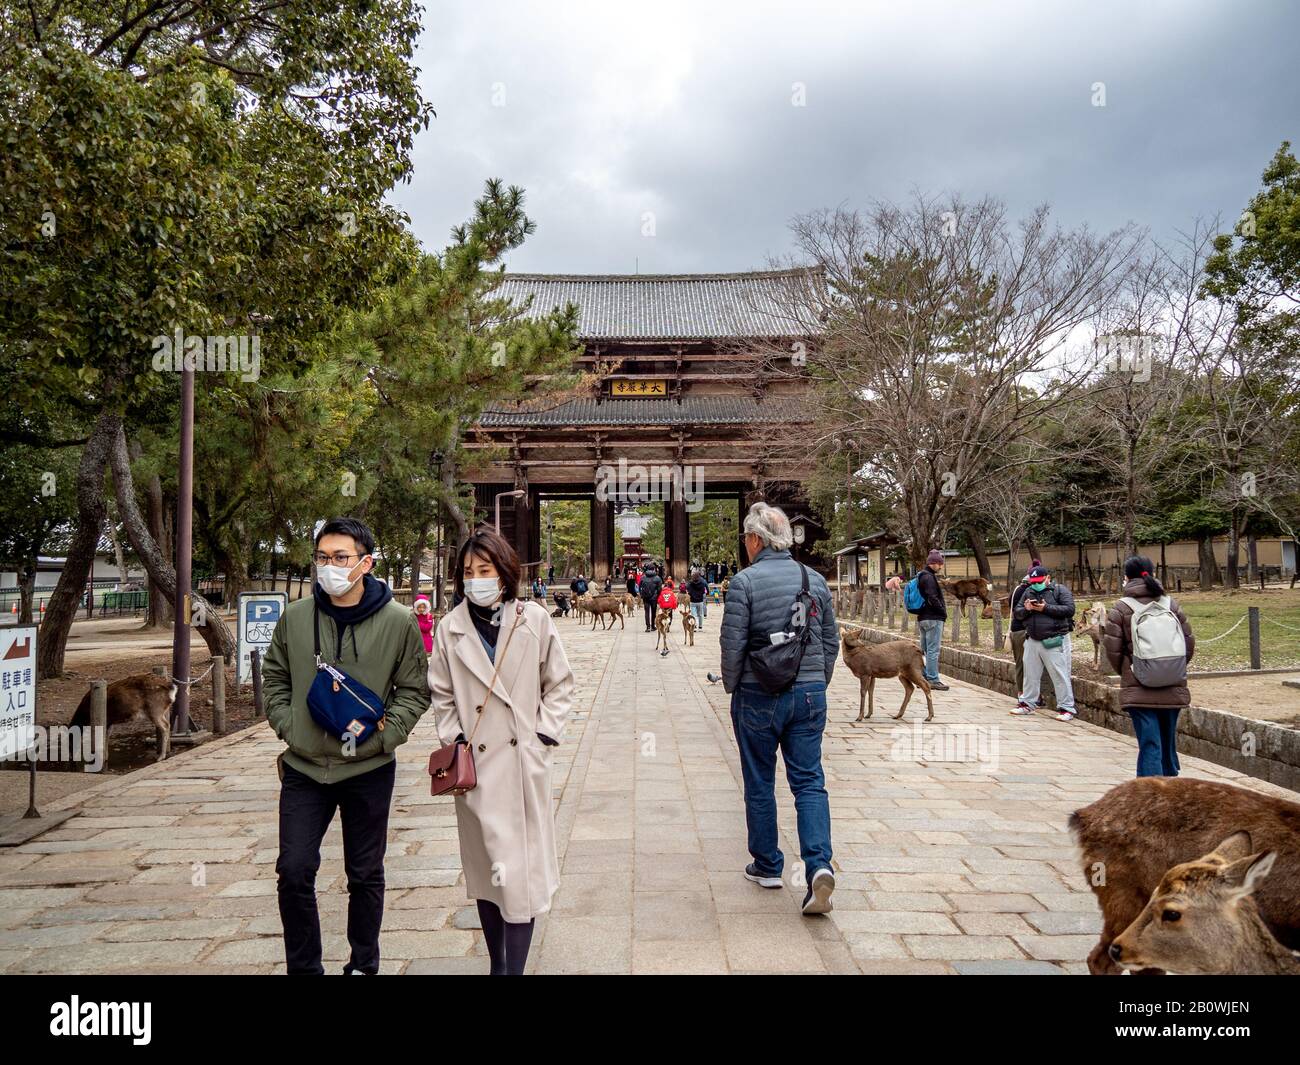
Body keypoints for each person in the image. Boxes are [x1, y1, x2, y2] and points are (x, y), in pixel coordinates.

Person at [263, 517, 431, 975]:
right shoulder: (296, 617)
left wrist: (384, 737)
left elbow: (415, 690)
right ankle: (305, 968)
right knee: (293, 870)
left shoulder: (399, 622)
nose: (329, 566)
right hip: (305, 766)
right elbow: (274, 677)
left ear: (365, 563)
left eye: (341, 558)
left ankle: (363, 964)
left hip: (368, 768)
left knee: (365, 874)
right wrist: (288, 725)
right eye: (322, 558)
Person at [426, 526, 575, 975]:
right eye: (468, 572)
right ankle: (496, 964)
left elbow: (560, 683)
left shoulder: (535, 620)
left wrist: (542, 737)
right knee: (488, 875)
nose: (476, 579)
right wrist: (455, 741)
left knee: (520, 878)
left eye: (485, 570)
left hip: (521, 767)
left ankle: (513, 971)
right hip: (475, 770)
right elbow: (442, 694)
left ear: (504, 573)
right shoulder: (449, 629)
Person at [719, 502, 839, 916]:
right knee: (809, 782)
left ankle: (768, 865)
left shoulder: (744, 583)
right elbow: (829, 642)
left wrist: (734, 686)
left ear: (755, 539)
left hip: (758, 694)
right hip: (808, 695)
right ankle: (819, 865)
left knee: (759, 781)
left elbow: (733, 645)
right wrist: (815, 683)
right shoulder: (815, 580)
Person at [1103, 556, 1195, 776]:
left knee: (1150, 742)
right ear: (1151, 573)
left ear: (1126, 577)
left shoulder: (1122, 607)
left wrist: (1131, 671)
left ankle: (1150, 790)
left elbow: (1113, 651)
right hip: (1173, 683)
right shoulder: (1170, 604)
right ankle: (1170, 783)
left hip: (1139, 685)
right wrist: (1171, 668)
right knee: (1167, 740)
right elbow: (1188, 643)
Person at [1011, 564, 1077, 720]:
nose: (1036, 585)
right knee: (1030, 674)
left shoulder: (1060, 590)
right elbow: (1017, 612)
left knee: (1059, 674)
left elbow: (1069, 610)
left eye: (1039, 581)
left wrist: (1045, 608)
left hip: (1053, 639)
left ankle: (1067, 707)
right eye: (1033, 582)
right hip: (1032, 638)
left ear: (1048, 578)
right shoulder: (1028, 591)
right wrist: (1027, 609)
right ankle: (1027, 702)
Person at [915, 549, 951, 692]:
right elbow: (932, 597)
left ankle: (921, 677)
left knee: (924, 649)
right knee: (932, 650)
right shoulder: (929, 577)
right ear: (933, 563)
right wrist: (942, 611)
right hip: (933, 618)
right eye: (939, 564)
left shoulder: (920, 576)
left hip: (923, 617)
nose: (941, 567)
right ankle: (932, 679)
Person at [639, 563, 663, 632]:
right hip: (654, 597)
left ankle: (648, 627)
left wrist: (641, 594)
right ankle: (653, 626)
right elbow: (659, 589)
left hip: (645, 597)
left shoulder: (643, 577)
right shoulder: (657, 578)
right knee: (653, 612)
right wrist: (657, 595)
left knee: (646, 612)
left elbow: (639, 586)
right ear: (654, 569)